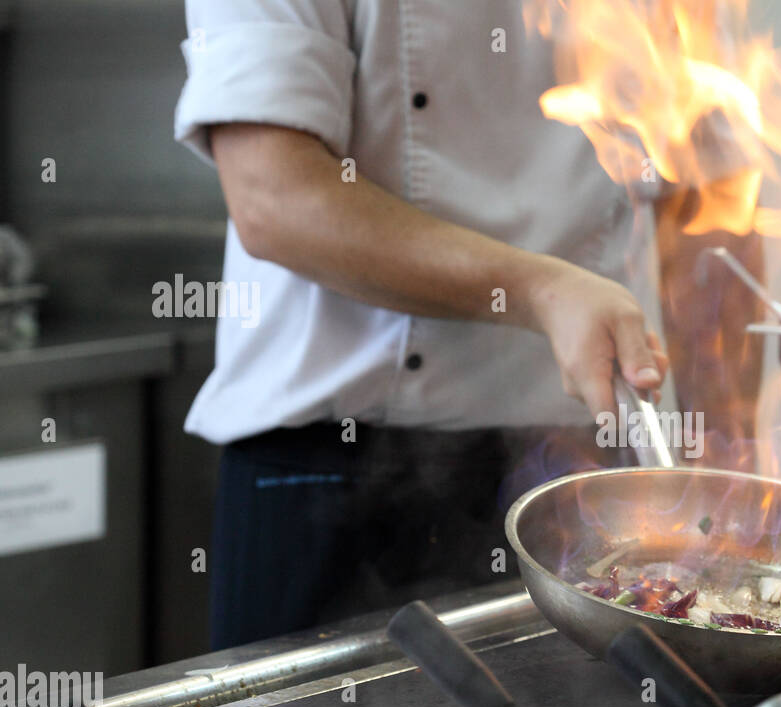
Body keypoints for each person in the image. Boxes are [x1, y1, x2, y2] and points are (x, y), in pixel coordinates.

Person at [174, 0, 667, 648]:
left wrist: (739, 442)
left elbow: (712, 187)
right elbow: (274, 196)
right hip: (331, 471)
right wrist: (542, 289)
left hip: (581, 464)